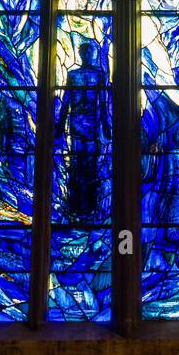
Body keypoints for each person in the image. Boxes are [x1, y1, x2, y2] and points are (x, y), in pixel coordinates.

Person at [55, 41, 110, 224]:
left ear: (92, 54)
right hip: (77, 124)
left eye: (89, 52)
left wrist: (106, 125)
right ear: (80, 54)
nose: (86, 55)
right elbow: (66, 101)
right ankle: (76, 206)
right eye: (84, 52)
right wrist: (59, 126)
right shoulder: (73, 75)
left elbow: (102, 103)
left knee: (89, 165)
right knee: (77, 164)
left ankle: (89, 207)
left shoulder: (98, 75)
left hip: (91, 124)